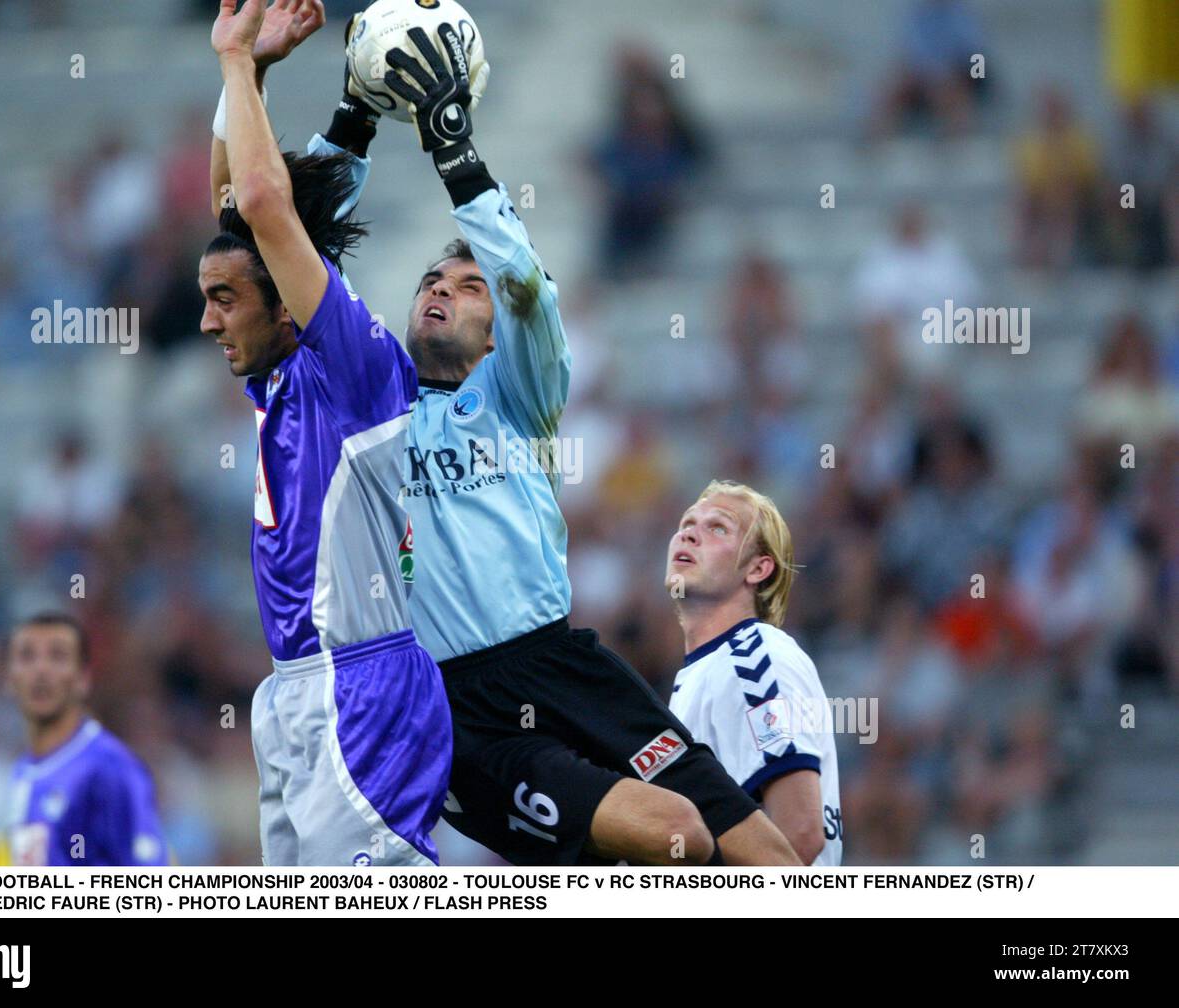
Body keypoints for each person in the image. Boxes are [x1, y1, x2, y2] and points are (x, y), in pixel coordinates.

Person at [302, 22, 796, 866]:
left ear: (496, 339)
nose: (441, 292)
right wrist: (353, 120)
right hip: (460, 708)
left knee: (768, 857)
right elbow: (295, 251)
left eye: (466, 287)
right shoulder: (369, 408)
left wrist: (459, 159)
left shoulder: (515, 397)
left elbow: (526, 287)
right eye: (431, 281)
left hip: (569, 667)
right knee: (672, 836)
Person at [202, 0, 450, 866]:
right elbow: (240, 214)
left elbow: (264, 209)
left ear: (284, 302)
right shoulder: (279, 371)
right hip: (295, 693)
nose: (208, 320)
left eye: (224, 302)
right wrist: (255, 75)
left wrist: (235, 60)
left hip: (364, 685)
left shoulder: (351, 363)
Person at [666, 482, 843, 865]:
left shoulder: (754, 657)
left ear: (758, 568)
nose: (690, 532)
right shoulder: (700, 675)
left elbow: (798, 834)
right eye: (687, 523)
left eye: (718, 528)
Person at [4, 613, 168, 866]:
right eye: (27, 656)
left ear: (83, 678)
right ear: (9, 678)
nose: (41, 670)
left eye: (57, 656)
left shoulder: (111, 769)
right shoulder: (23, 770)